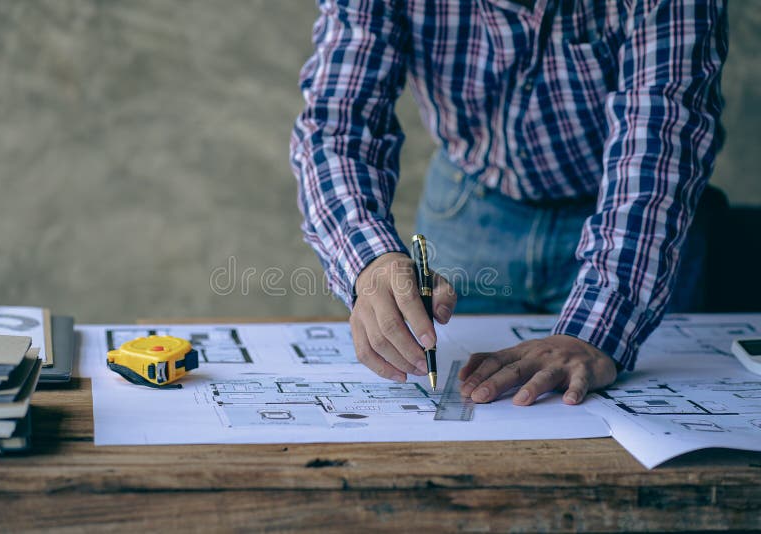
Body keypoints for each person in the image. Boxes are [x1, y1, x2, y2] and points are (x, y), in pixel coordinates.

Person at [290, 0, 728, 405]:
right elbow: (337, 126)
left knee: (641, 408)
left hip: (634, 222)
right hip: (469, 207)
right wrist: (370, 259)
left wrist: (593, 333)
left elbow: (659, 142)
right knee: (465, 393)